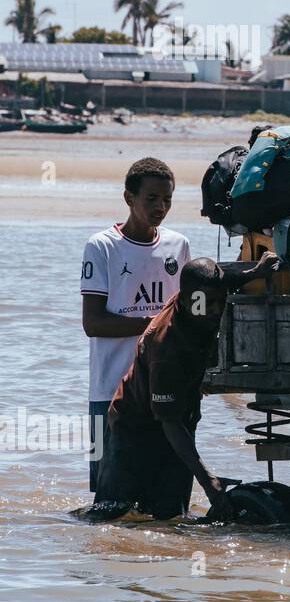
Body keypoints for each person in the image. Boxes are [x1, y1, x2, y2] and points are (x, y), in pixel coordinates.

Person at [87, 254, 278, 522]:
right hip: (134, 431)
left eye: (217, 302)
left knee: (172, 516)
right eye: (205, 304)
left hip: (177, 425)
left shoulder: (204, 297)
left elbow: (221, 280)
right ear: (188, 297)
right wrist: (207, 479)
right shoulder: (168, 346)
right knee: (114, 517)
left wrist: (254, 273)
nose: (214, 311)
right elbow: (169, 422)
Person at [81, 158, 190, 493]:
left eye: (167, 200)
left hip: (164, 386)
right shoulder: (101, 246)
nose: (161, 207)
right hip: (109, 389)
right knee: (107, 501)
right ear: (129, 199)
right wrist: (154, 324)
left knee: (167, 503)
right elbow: (93, 323)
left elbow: (185, 313)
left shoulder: (179, 245)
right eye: (152, 199)